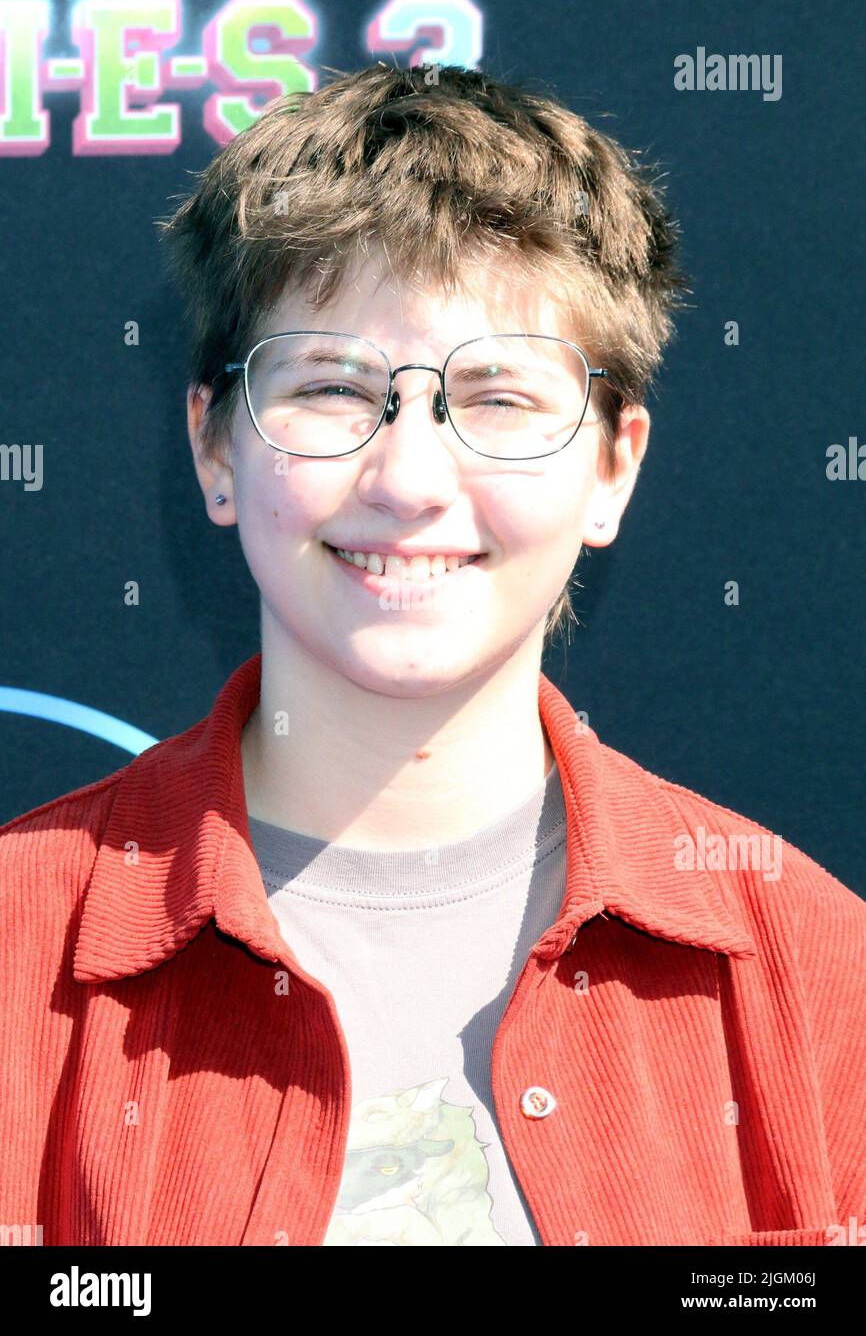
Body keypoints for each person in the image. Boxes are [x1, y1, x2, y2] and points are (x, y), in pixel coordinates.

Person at [1, 64, 863, 1249]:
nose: (408, 479)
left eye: (497, 397)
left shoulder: (817, 975)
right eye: (331, 387)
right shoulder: (15, 952)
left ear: (612, 465)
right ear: (213, 448)